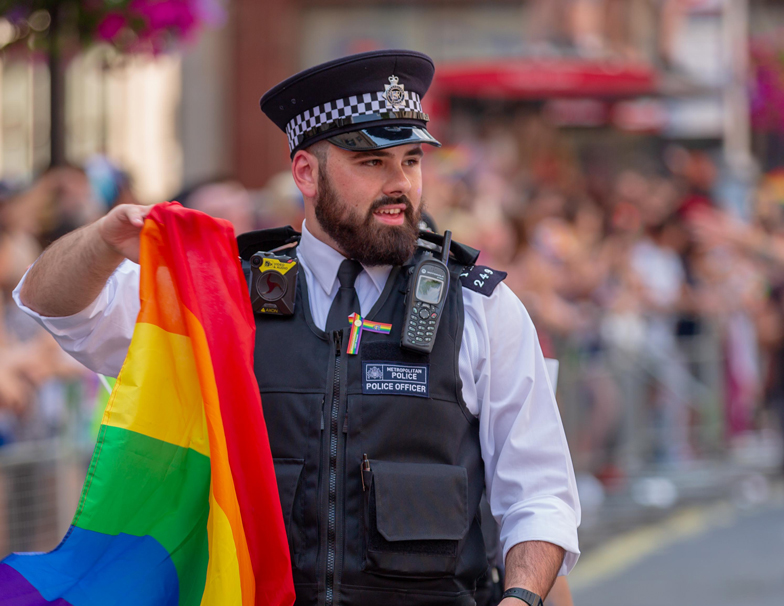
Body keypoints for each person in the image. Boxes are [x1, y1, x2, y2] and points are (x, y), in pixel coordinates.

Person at [14, 50, 580, 606]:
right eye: (371, 162)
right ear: (306, 172)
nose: (400, 184)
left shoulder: (482, 306)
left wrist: (521, 599)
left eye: (410, 160)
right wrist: (100, 243)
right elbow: (58, 308)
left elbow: (540, 494)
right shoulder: (224, 296)